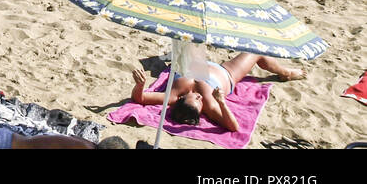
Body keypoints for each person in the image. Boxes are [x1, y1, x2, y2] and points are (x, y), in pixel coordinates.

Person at [130, 54, 305, 131]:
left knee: (187, 34)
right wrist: (221, 102)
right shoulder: (210, 104)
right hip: (226, 72)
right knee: (255, 54)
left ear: (182, 98)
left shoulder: (174, 94)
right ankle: (286, 73)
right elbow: (233, 127)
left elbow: (141, 98)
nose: (199, 98)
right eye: (200, 103)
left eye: (196, 99)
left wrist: (140, 84)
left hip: (195, 64)